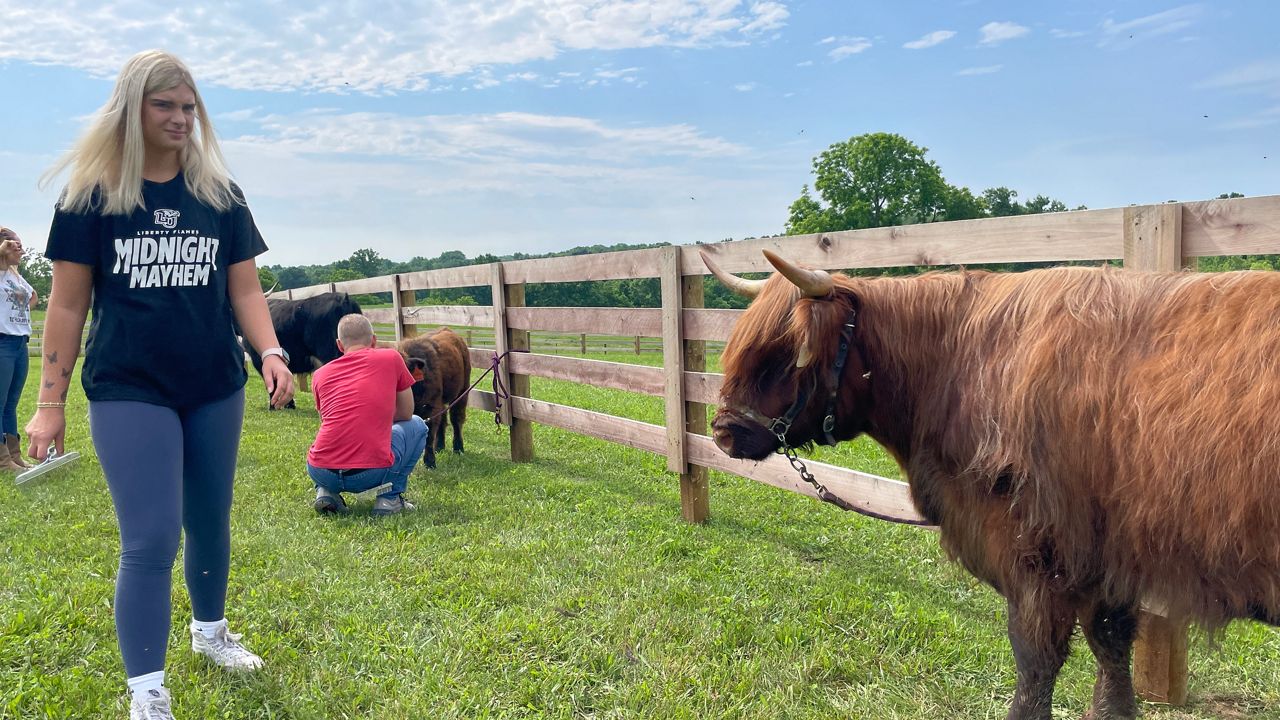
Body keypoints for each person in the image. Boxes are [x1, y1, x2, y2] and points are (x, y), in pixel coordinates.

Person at [25, 50, 294, 720]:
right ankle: (147, 689)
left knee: (210, 520)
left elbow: (245, 288)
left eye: (188, 106)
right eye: (164, 105)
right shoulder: (91, 195)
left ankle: (210, 634)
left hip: (212, 384)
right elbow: (65, 305)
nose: (180, 118)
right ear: (131, 109)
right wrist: (49, 403)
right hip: (128, 387)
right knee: (150, 536)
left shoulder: (219, 195)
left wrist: (270, 349)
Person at [307, 313, 426, 517]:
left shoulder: (320, 374)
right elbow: (406, 412)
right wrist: (377, 419)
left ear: (339, 345)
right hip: (369, 474)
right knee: (417, 425)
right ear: (374, 340)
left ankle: (326, 492)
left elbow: (327, 419)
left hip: (320, 470)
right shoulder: (390, 357)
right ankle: (390, 498)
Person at [0, 227, 37, 471]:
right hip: (2, 342)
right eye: (15, 245)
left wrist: (17, 312)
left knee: (10, 403)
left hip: (19, 342)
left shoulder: (14, 275)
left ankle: (14, 456)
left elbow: (33, 296)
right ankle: (3, 462)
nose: (20, 249)